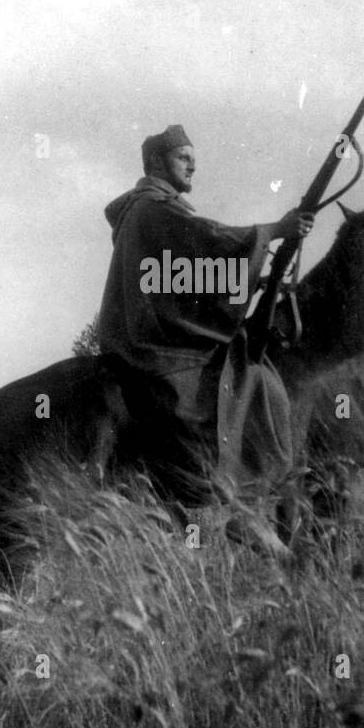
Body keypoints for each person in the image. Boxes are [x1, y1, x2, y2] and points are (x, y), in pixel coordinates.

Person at [98, 123, 313, 510]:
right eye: (183, 159)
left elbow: (186, 281)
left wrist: (263, 270)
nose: (192, 167)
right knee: (248, 374)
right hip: (152, 348)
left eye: (193, 160)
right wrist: (274, 231)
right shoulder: (153, 210)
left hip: (145, 337)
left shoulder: (148, 209)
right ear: (155, 164)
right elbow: (210, 242)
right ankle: (237, 486)